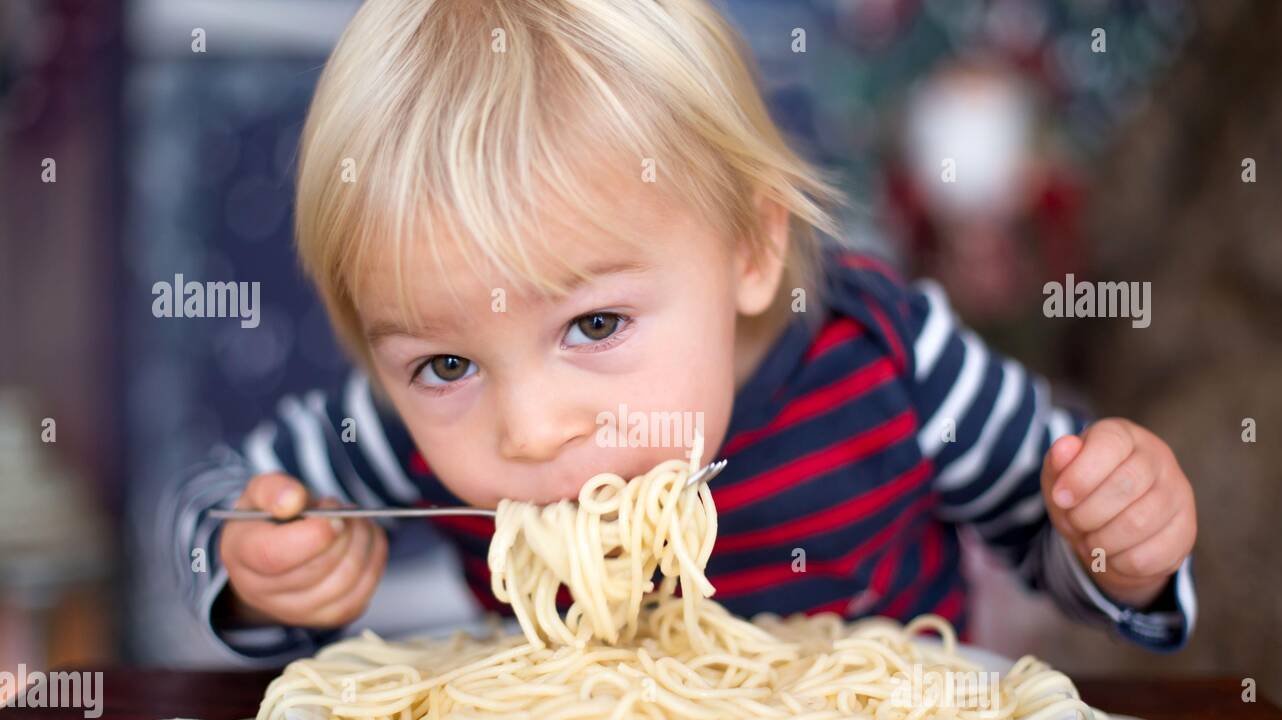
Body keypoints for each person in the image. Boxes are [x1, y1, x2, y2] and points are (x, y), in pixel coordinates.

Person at [167, 0, 1196, 664]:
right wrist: (260, 565)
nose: (529, 428)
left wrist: (1121, 549)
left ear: (748, 250)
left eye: (596, 322)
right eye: (442, 363)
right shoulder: (395, 425)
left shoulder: (891, 358)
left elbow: (1051, 528)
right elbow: (215, 500)